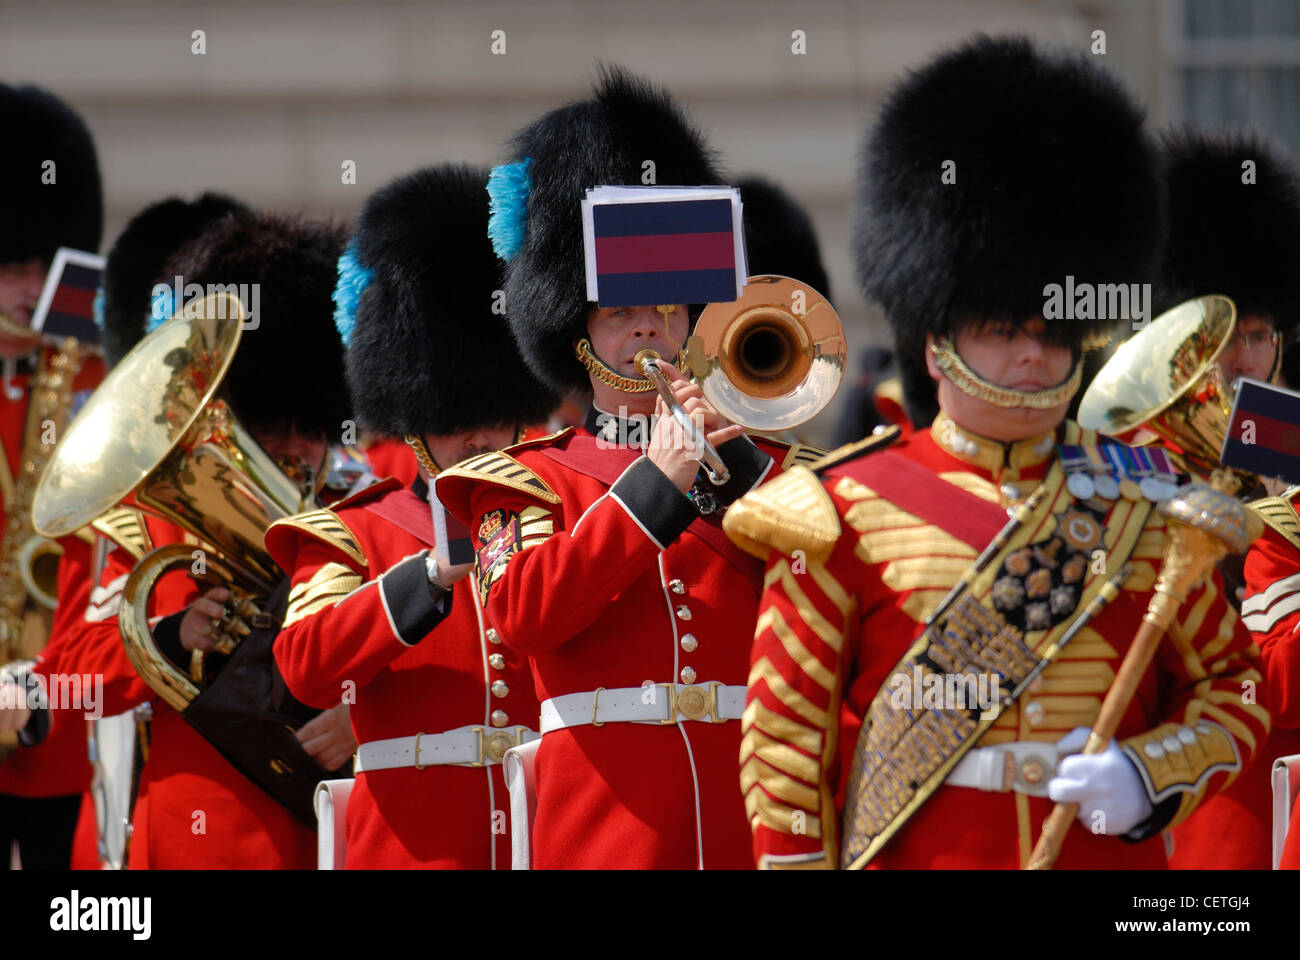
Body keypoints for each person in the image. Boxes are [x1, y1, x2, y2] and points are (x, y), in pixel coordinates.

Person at [722, 35, 1269, 869]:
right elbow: (787, 752)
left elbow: (1233, 687)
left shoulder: (1144, 505)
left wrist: (1149, 773)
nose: (1032, 356)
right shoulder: (840, 512)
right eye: (1003, 330)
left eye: (1050, 333)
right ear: (938, 333)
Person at [437, 66, 824, 869]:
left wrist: (742, 468)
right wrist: (653, 487)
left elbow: (828, 581)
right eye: (621, 314)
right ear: (578, 332)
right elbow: (522, 615)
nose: (648, 330)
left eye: (668, 311)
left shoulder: (772, 468)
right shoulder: (521, 480)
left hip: (747, 819)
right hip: (607, 828)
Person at [43, 210, 357, 868]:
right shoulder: (148, 516)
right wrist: (166, 636)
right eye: (273, 427)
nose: (298, 449)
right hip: (201, 830)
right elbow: (67, 679)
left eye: (313, 426)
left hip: (336, 827)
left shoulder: (361, 503)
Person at [267, 164, 558, 868]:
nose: (483, 442)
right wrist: (426, 576)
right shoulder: (356, 527)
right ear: (417, 425)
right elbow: (304, 665)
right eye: (460, 425)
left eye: (498, 420)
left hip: (543, 827)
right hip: (414, 840)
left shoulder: (559, 513)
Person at [1152, 131, 1300, 869]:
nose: (1246, 361)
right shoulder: (1133, 460)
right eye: (1225, 337)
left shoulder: (1294, 450)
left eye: (1261, 336)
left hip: (1269, 801)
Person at [0, 82, 105, 870]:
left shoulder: (85, 371)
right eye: (10, 271)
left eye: (38, 266)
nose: (31, 290)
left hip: (57, 694)